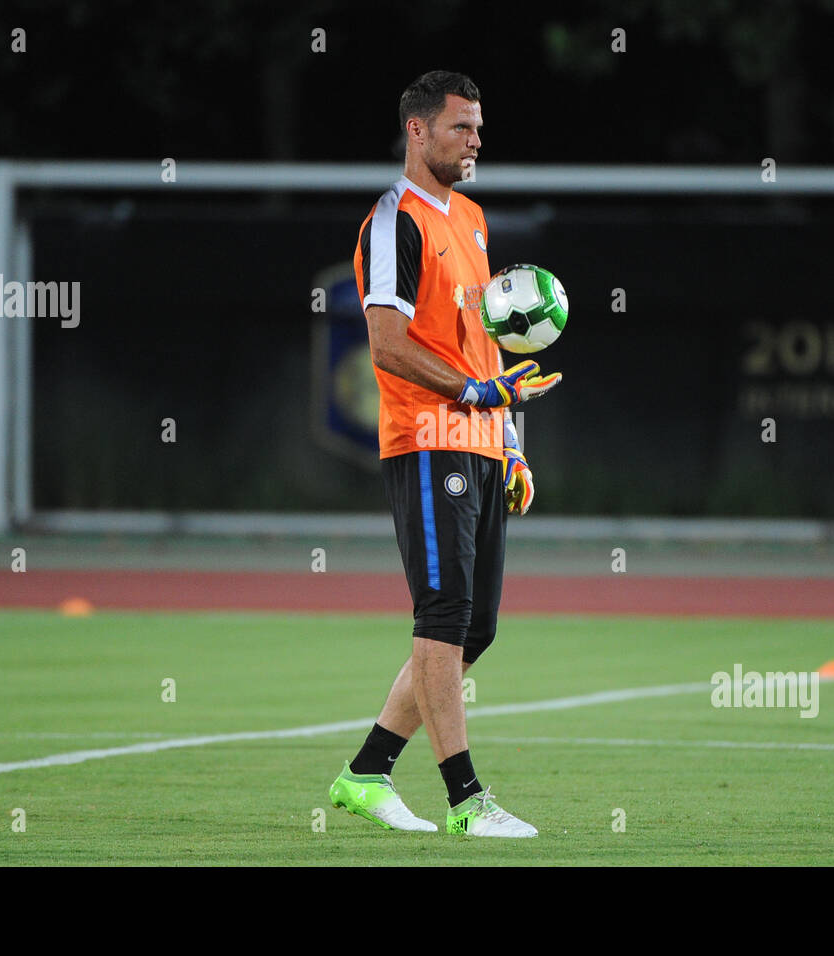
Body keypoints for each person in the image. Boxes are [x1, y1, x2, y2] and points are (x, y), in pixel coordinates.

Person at [328, 70, 562, 837]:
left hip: (481, 444)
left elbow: (486, 346)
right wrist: (472, 396)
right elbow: (388, 346)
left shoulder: (472, 218)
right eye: (462, 127)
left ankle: (366, 774)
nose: (476, 141)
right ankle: (467, 801)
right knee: (445, 613)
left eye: (480, 128)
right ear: (418, 131)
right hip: (427, 442)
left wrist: (511, 441)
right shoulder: (394, 221)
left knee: (477, 629)